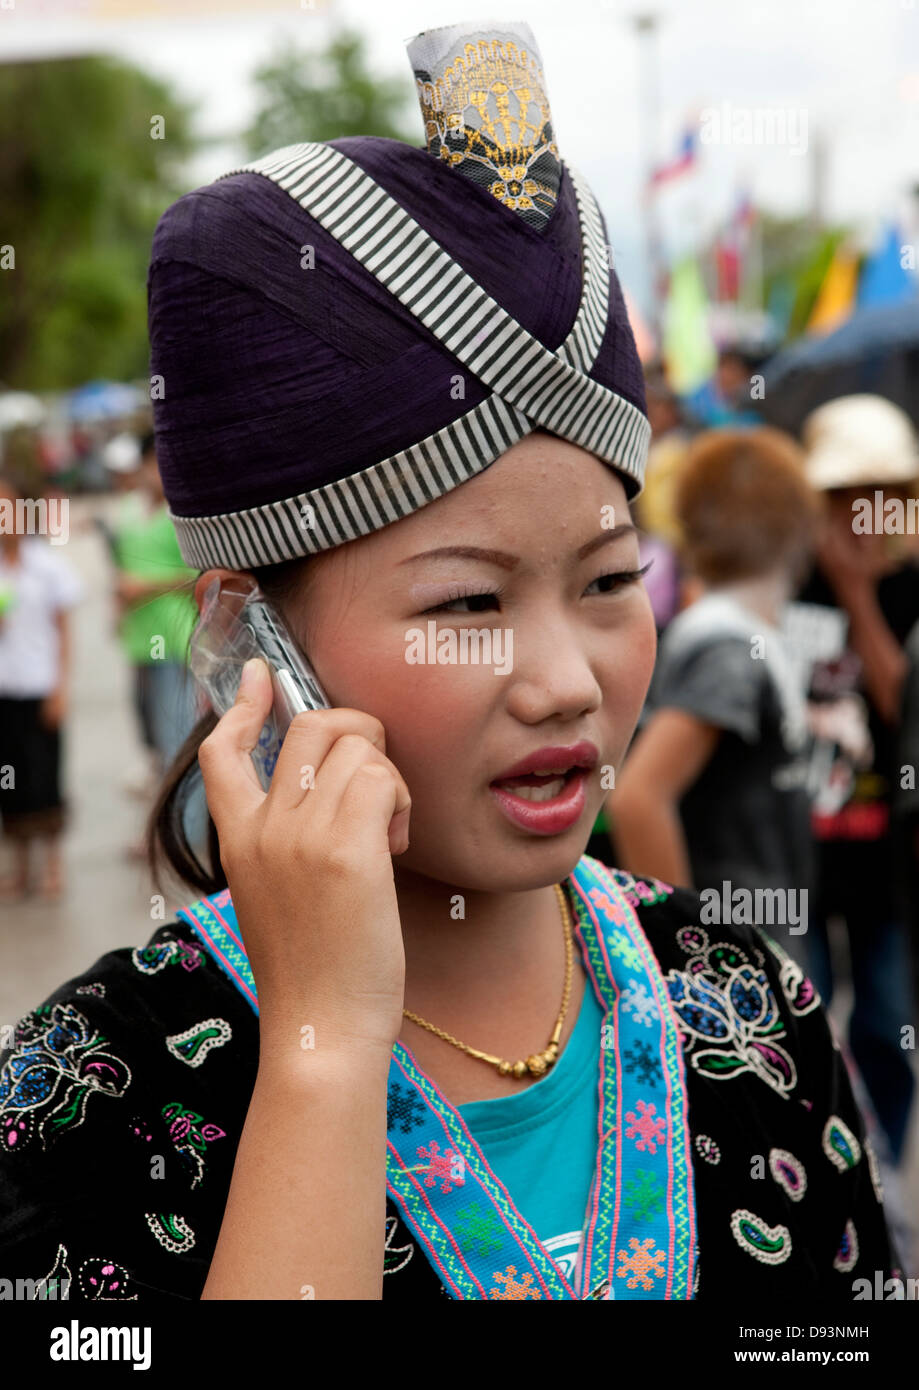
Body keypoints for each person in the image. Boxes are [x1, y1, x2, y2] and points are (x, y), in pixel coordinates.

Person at [0, 20, 898, 1301]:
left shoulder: (750, 1008)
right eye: (468, 600)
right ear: (248, 637)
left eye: (605, 581)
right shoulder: (93, 1095)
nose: (565, 681)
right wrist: (320, 1055)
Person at [610, 428, 821, 940]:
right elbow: (638, 798)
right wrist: (685, 960)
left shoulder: (728, 634)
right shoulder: (729, 647)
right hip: (735, 954)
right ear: (795, 530)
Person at [793, 394, 919, 1173]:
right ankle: (817, 1174)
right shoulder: (783, 580)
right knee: (802, 1025)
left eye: (878, 497)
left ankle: (880, 1177)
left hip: (885, 858)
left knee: (885, 1022)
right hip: (798, 855)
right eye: (846, 497)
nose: (861, 515)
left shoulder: (907, 588)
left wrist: (859, 596)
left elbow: (897, 703)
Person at [0, 466, 85, 901]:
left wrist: (61, 688)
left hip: (40, 687)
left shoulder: (47, 567)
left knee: (45, 776)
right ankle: (20, 868)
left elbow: (64, 633)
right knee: (8, 781)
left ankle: (52, 866)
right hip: (5, 693)